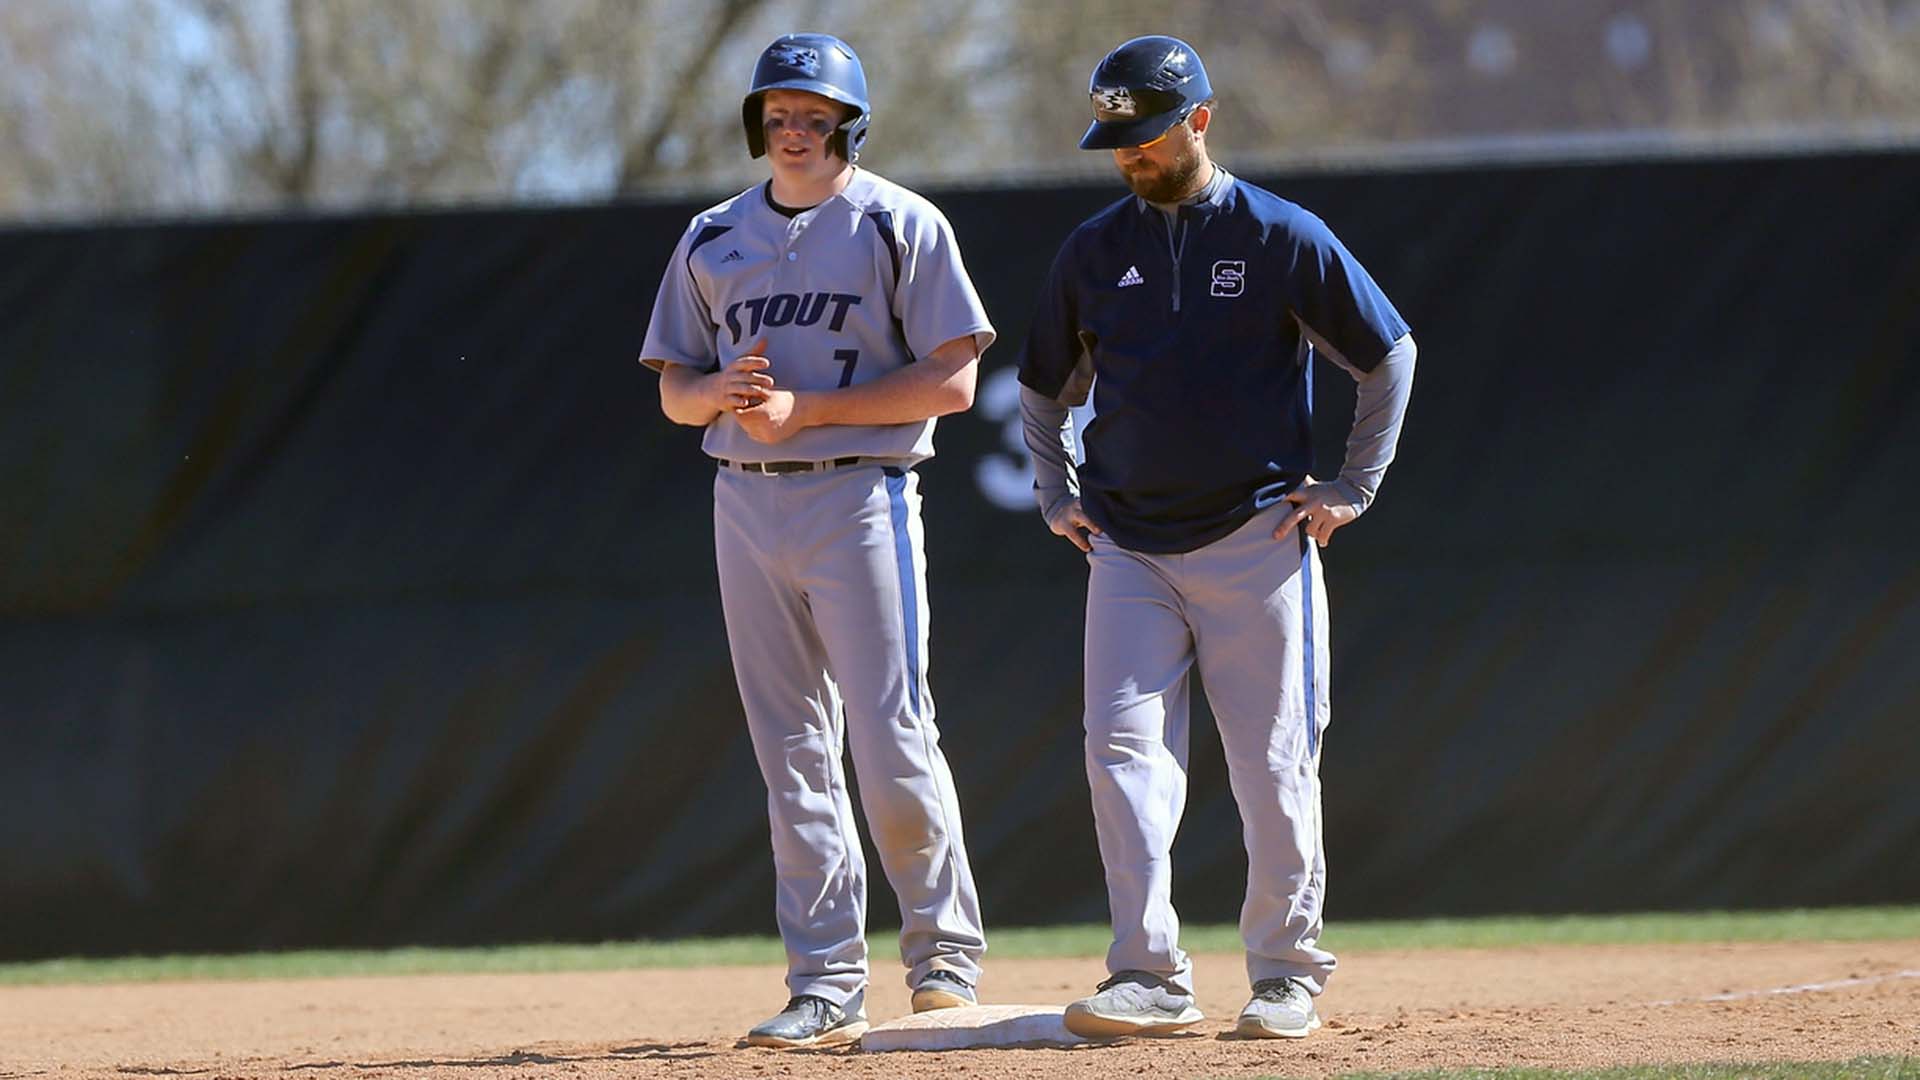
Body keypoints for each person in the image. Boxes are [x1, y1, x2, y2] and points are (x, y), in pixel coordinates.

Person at [1017, 35, 1418, 1040]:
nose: (1131, 157)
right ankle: (1147, 973)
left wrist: (1353, 486)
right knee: (1120, 756)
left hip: (1255, 537)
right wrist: (1054, 493)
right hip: (1129, 548)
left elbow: (1389, 354)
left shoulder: (1282, 234)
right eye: (1117, 141)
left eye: (1147, 137)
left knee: (1272, 764)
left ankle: (1285, 974)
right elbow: (1041, 385)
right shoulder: (1094, 249)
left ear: (1198, 120)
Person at [639, 32, 993, 1049]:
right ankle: (826, 978)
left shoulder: (897, 223)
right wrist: (712, 394)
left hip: (860, 494)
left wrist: (812, 410)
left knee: (888, 735)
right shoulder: (712, 235)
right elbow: (674, 387)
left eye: (815, 115)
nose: (795, 131)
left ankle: (942, 957)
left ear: (849, 124)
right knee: (789, 749)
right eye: (779, 115)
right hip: (743, 501)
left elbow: (953, 379)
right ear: (760, 126)